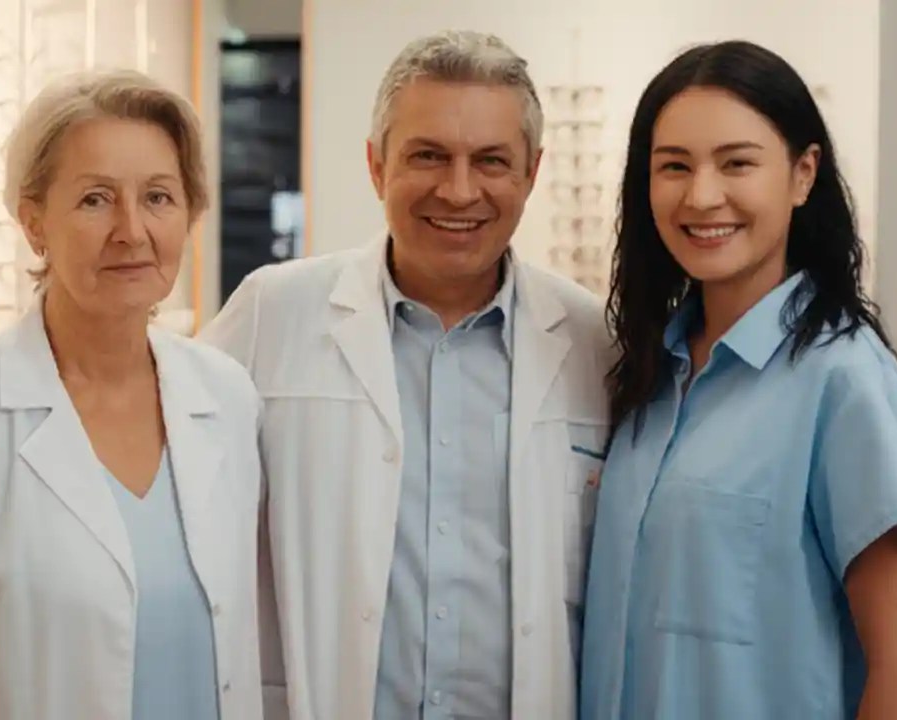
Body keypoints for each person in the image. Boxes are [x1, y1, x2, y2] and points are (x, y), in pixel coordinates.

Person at [200, 30, 614, 720]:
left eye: (491, 161)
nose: (459, 190)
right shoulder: (274, 312)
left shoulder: (592, 341)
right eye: (428, 156)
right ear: (375, 164)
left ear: (532, 174)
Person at [0, 69, 264, 720]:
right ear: (34, 222)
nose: (132, 231)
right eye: (94, 199)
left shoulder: (226, 397)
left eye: (159, 197)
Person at [578, 40, 897, 720]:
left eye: (737, 162)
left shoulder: (845, 382)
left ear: (803, 175)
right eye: (673, 167)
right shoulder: (650, 376)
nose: (702, 195)